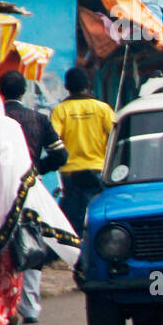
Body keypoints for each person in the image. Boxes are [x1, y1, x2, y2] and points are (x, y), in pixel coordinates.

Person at [0, 79, 79, 325]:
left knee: (7, 264)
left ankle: (10, 307)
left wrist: (25, 201)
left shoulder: (9, 128)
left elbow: (22, 170)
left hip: (5, 206)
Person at [0, 70, 68, 324]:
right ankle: (29, 306)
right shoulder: (38, 119)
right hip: (31, 190)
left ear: (0, 91)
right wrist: (37, 169)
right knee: (31, 242)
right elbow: (61, 155)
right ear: (24, 91)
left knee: (1, 245)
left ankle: (5, 304)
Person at [51, 67, 114, 234]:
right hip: (98, 170)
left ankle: (76, 253)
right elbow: (114, 136)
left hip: (70, 174)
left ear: (66, 86)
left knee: (73, 219)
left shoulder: (60, 110)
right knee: (98, 216)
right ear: (88, 84)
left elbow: (53, 139)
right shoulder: (103, 108)